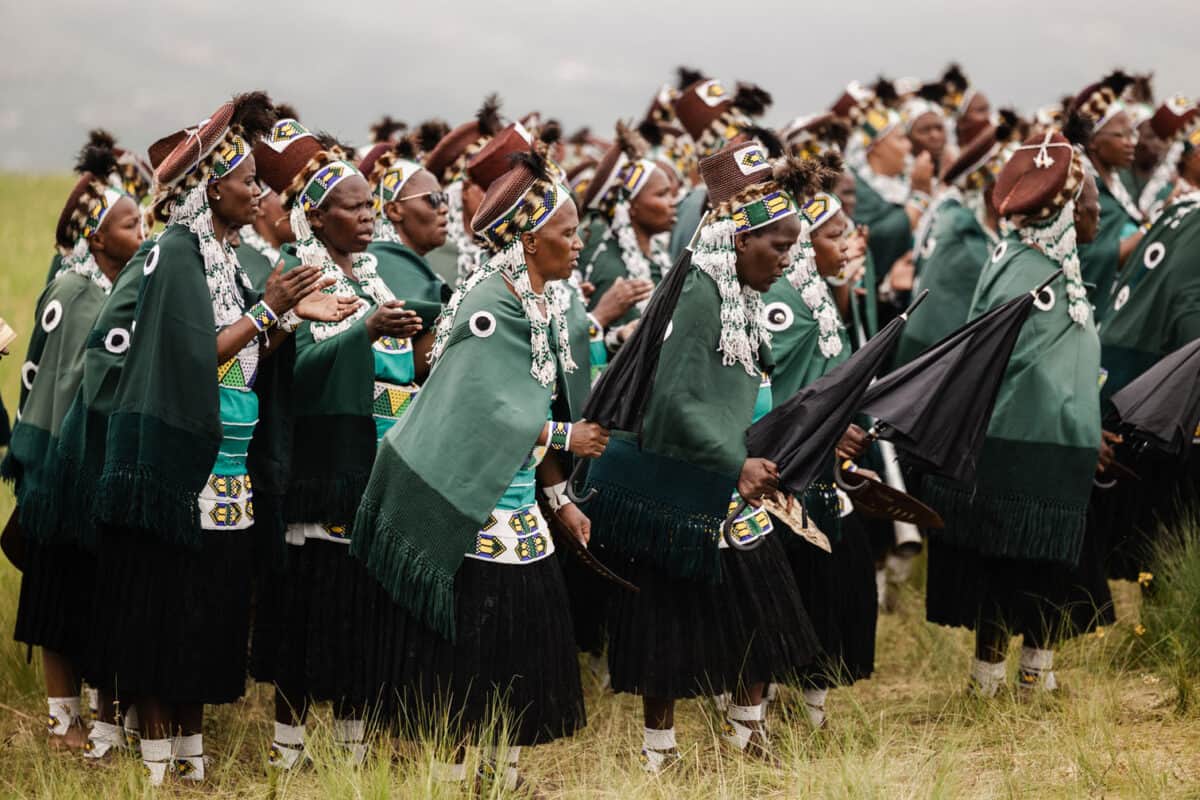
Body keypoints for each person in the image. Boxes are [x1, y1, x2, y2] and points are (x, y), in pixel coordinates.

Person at [85, 93, 356, 784]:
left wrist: (290, 318)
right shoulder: (175, 253)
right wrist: (271, 309)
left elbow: (244, 354)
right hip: (181, 468)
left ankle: (192, 756)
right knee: (166, 613)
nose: (259, 193)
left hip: (228, 469)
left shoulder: (224, 258)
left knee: (204, 616)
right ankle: (157, 766)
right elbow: (193, 356)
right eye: (247, 182)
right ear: (211, 189)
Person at [349, 146, 606, 794]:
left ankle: (503, 780)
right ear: (529, 240)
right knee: (463, 664)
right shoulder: (493, 304)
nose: (579, 244)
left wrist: (561, 499)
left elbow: (531, 400)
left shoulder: (536, 300)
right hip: (469, 506)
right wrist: (564, 435)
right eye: (568, 232)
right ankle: (452, 783)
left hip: (517, 508)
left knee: (514, 656)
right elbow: (482, 407)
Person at [586, 140, 822, 769]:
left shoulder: (736, 289)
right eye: (779, 246)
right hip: (676, 482)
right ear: (741, 240)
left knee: (761, 608)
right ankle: (658, 753)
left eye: (794, 247)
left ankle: (749, 735)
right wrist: (735, 462)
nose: (787, 259)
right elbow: (675, 404)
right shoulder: (699, 294)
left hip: (725, 474)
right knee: (667, 620)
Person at [247, 119, 428, 768]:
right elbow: (294, 370)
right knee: (310, 611)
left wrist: (416, 337)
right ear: (317, 218)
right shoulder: (299, 274)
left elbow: (394, 371)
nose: (367, 216)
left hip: (376, 460)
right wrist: (366, 332)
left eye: (370, 205)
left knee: (361, 613)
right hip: (323, 463)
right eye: (352, 208)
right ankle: (288, 746)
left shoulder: (373, 275)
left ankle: (354, 748)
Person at [923, 131, 1113, 697]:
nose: (1099, 215)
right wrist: (1080, 427)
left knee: (1044, 564)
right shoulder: (1031, 273)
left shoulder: (1037, 261)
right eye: (1091, 204)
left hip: (1048, 437)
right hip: (1029, 441)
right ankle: (992, 682)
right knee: (1013, 562)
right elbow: (1027, 368)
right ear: (1065, 211)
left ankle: (1035, 674)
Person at [4, 133, 144, 751]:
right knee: (58, 594)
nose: (143, 232)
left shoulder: (129, 290)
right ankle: (62, 720)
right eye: (131, 224)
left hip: (107, 466)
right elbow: (56, 383)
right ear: (96, 238)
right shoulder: (73, 293)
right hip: (64, 470)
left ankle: (104, 712)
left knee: (99, 596)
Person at [758, 152, 876, 728]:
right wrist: (825, 432)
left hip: (821, 473)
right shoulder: (780, 300)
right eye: (834, 235)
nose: (845, 245)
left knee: (830, 589)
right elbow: (773, 390)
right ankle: (763, 708)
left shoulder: (815, 295)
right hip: (784, 474)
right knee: (791, 595)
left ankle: (812, 709)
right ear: (804, 242)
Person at [1093, 123, 1200, 583]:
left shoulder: (1181, 207)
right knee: (1169, 524)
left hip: (1119, 362)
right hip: (1155, 374)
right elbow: (1190, 307)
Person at [896, 117, 1021, 365]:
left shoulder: (991, 226)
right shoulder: (960, 231)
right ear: (990, 188)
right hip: (934, 361)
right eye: (1012, 181)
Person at [578, 122, 673, 323]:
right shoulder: (615, 271)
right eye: (662, 194)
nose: (672, 202)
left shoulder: (657, 253)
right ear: (630, 206)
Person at [1067, 72, 1144, 313]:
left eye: (1133, 133)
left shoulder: (1116, 188)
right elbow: (1092, 259)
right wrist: (1152, 229)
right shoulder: (1085, 195)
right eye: (1122, 135)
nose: (1131, 142)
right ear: (1092, 141)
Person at [359, 135, 453, 307]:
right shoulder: (386, 264)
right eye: (433, 199)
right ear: (394, 211)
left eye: (443, 198)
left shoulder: (407, 261)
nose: (444, 208)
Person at [421, 95, 502, 286]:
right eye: (487, 187)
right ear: (464, 190)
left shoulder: (511, 244)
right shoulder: (432, 250)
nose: (498, 197)